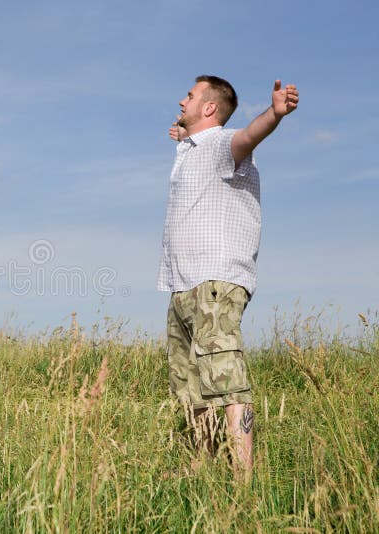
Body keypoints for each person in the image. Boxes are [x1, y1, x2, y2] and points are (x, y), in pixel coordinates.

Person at [158, 75, 299, 477]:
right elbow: (195, 143)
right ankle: (201, 467)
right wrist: (184, 135)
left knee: (227, 380)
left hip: (215, 282)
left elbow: (247, 137)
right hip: (183, 284)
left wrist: (273, 114)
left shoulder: (223, 143)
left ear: (208, 108)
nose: (180, 99)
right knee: (192, 387)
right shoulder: (193, 149)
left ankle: (242, 480)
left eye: (189, 95)